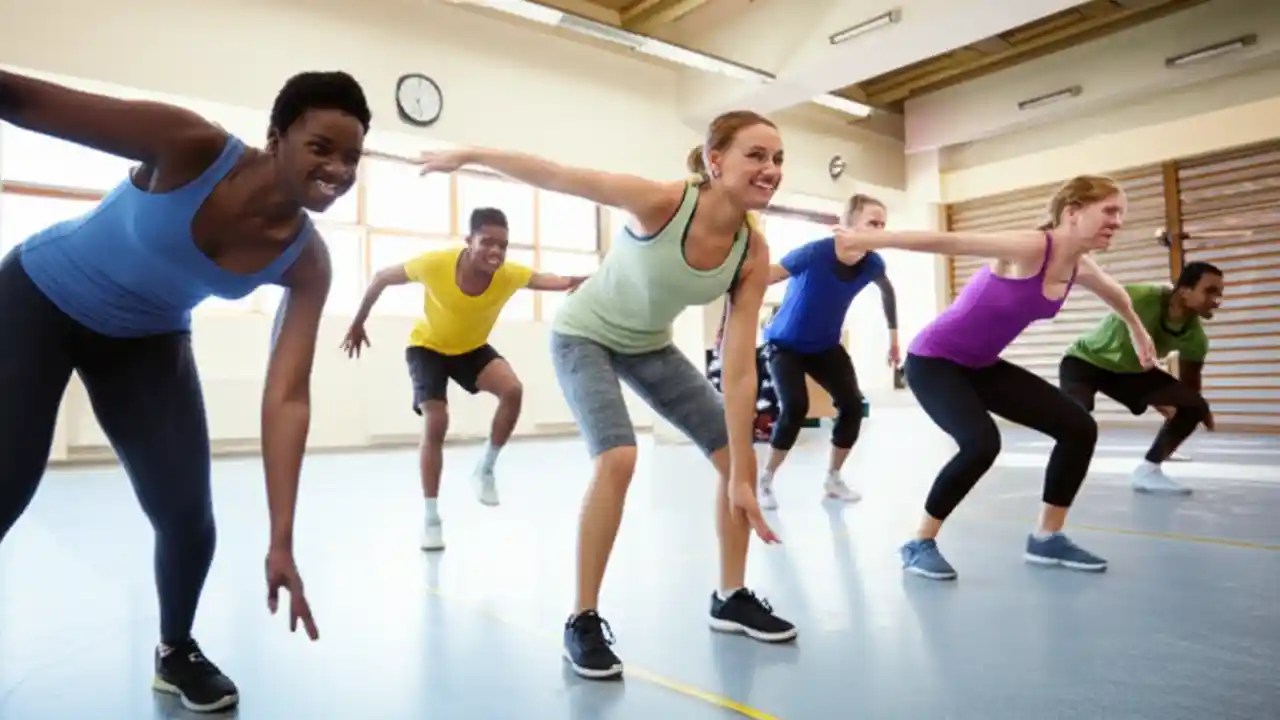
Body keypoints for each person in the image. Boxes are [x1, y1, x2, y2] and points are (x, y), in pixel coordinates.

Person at [0, 68, 370, 712]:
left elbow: (287, 395)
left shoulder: (307, 261)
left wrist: (281, 538)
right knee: (7, 481)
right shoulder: (190, 146)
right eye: (322, 147)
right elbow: (28, 100)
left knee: (188, 519)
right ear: (276, 138)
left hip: (146, 339)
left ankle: (176, 653)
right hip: (40, 297)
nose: (339, 169)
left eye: (353, 156)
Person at [416, 109, 797, 681]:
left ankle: (731, 596)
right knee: (618, 456)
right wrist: (472, 154)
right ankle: (583, 619)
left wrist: (743, 468)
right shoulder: (661, 202)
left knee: (731, 451)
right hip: (583, 335)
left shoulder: (752, 251)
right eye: (756, 155)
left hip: (649, 345)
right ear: (715, 161)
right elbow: (559, 175)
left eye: (778, 159)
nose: (770, 169)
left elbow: (740, 368)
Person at [832, 175, 1158, 581]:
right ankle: (919, 542)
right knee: (981, 444)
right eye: (1109, 211)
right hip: (933, 360)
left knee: (1078, 427)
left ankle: (1047, 537)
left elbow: (1117, 295)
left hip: (980, 364)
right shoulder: (1032, 247)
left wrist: (1138, 332)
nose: (1118, 221)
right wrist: (873, 239)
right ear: (1073, 213)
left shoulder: (1079, 266)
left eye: (1121, 213)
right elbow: (953, 242)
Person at [340, 207, 587, 550]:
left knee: (512, 390)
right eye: (487, 242)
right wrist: (358, 322)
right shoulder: (435, 264)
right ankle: (431, 519)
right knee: (436, 420)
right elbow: (382, 276)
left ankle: (485, 469)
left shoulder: (509, 274)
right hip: (427, 347)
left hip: (470, 349)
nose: (496, 252)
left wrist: (594, 279)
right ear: (469, 241)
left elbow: (557, 281)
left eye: (503, 245)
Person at [756, 193, 900, 510]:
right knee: (795, 407)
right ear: (846, 226)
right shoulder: (814, 253)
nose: (879, 230)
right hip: (784, 345)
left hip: (825, 346)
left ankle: (833, 478)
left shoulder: (873, 263)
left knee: (852, 404)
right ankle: (765, 479)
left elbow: (887, 291)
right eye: (871, 223)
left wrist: (893, 338)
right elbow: (765, 276)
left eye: (883, 224)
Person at [1059, 261, 1223, 496]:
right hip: (1084, 362)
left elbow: (1189, 386)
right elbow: (1104, 287)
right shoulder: (1141, 296)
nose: (1217, 300)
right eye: (1210, 291)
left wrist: (1196, 411)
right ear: (1184, 290)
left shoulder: (1195, 340)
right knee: (1077, 421)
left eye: (1219, 293)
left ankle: (1148, 471)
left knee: (1194, 405)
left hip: (1129, 373)